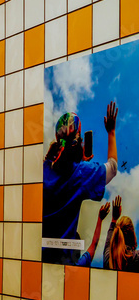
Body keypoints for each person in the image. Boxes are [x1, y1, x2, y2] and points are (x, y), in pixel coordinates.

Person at [42, 102, 118, 264]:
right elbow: (112, 168)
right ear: (78, 140)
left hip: (41, 257)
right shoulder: (81, 173)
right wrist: (111, 132)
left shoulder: (44, 170)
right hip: (64, 264)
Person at [104, 196, 139, 272]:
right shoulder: (135, 258)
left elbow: (109, 242)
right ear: (132, 235)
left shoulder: (108, 257)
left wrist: (114, 219)